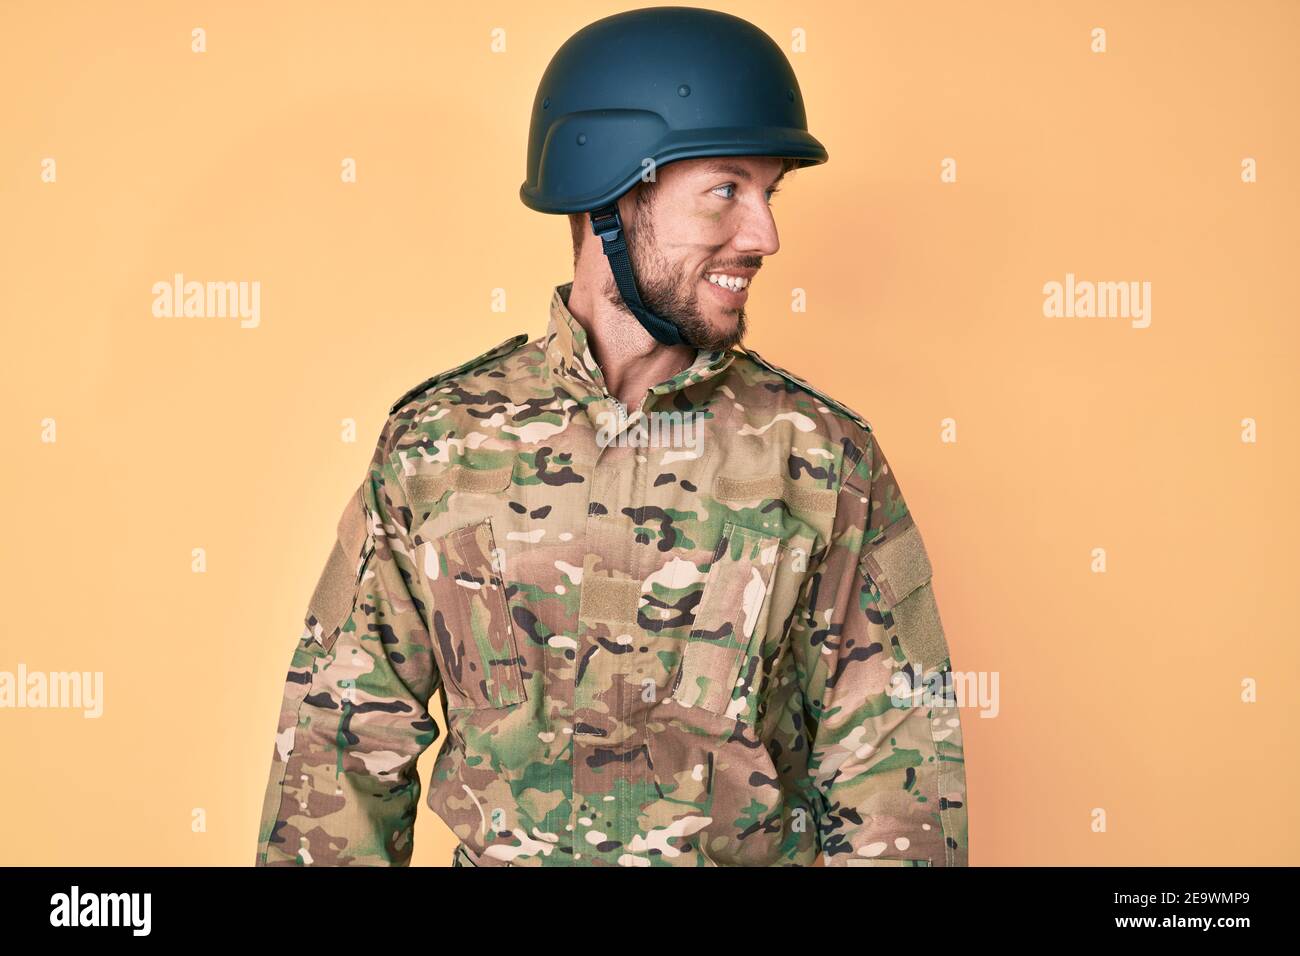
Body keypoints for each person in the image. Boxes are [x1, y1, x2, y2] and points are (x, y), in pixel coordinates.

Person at [254, 5, 968, 867]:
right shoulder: (436, 448)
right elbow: (337, 758)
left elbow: (898, 788)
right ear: (614, 195)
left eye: (769, 195)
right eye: (726, 190)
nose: (766, 236)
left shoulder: (822, 460)